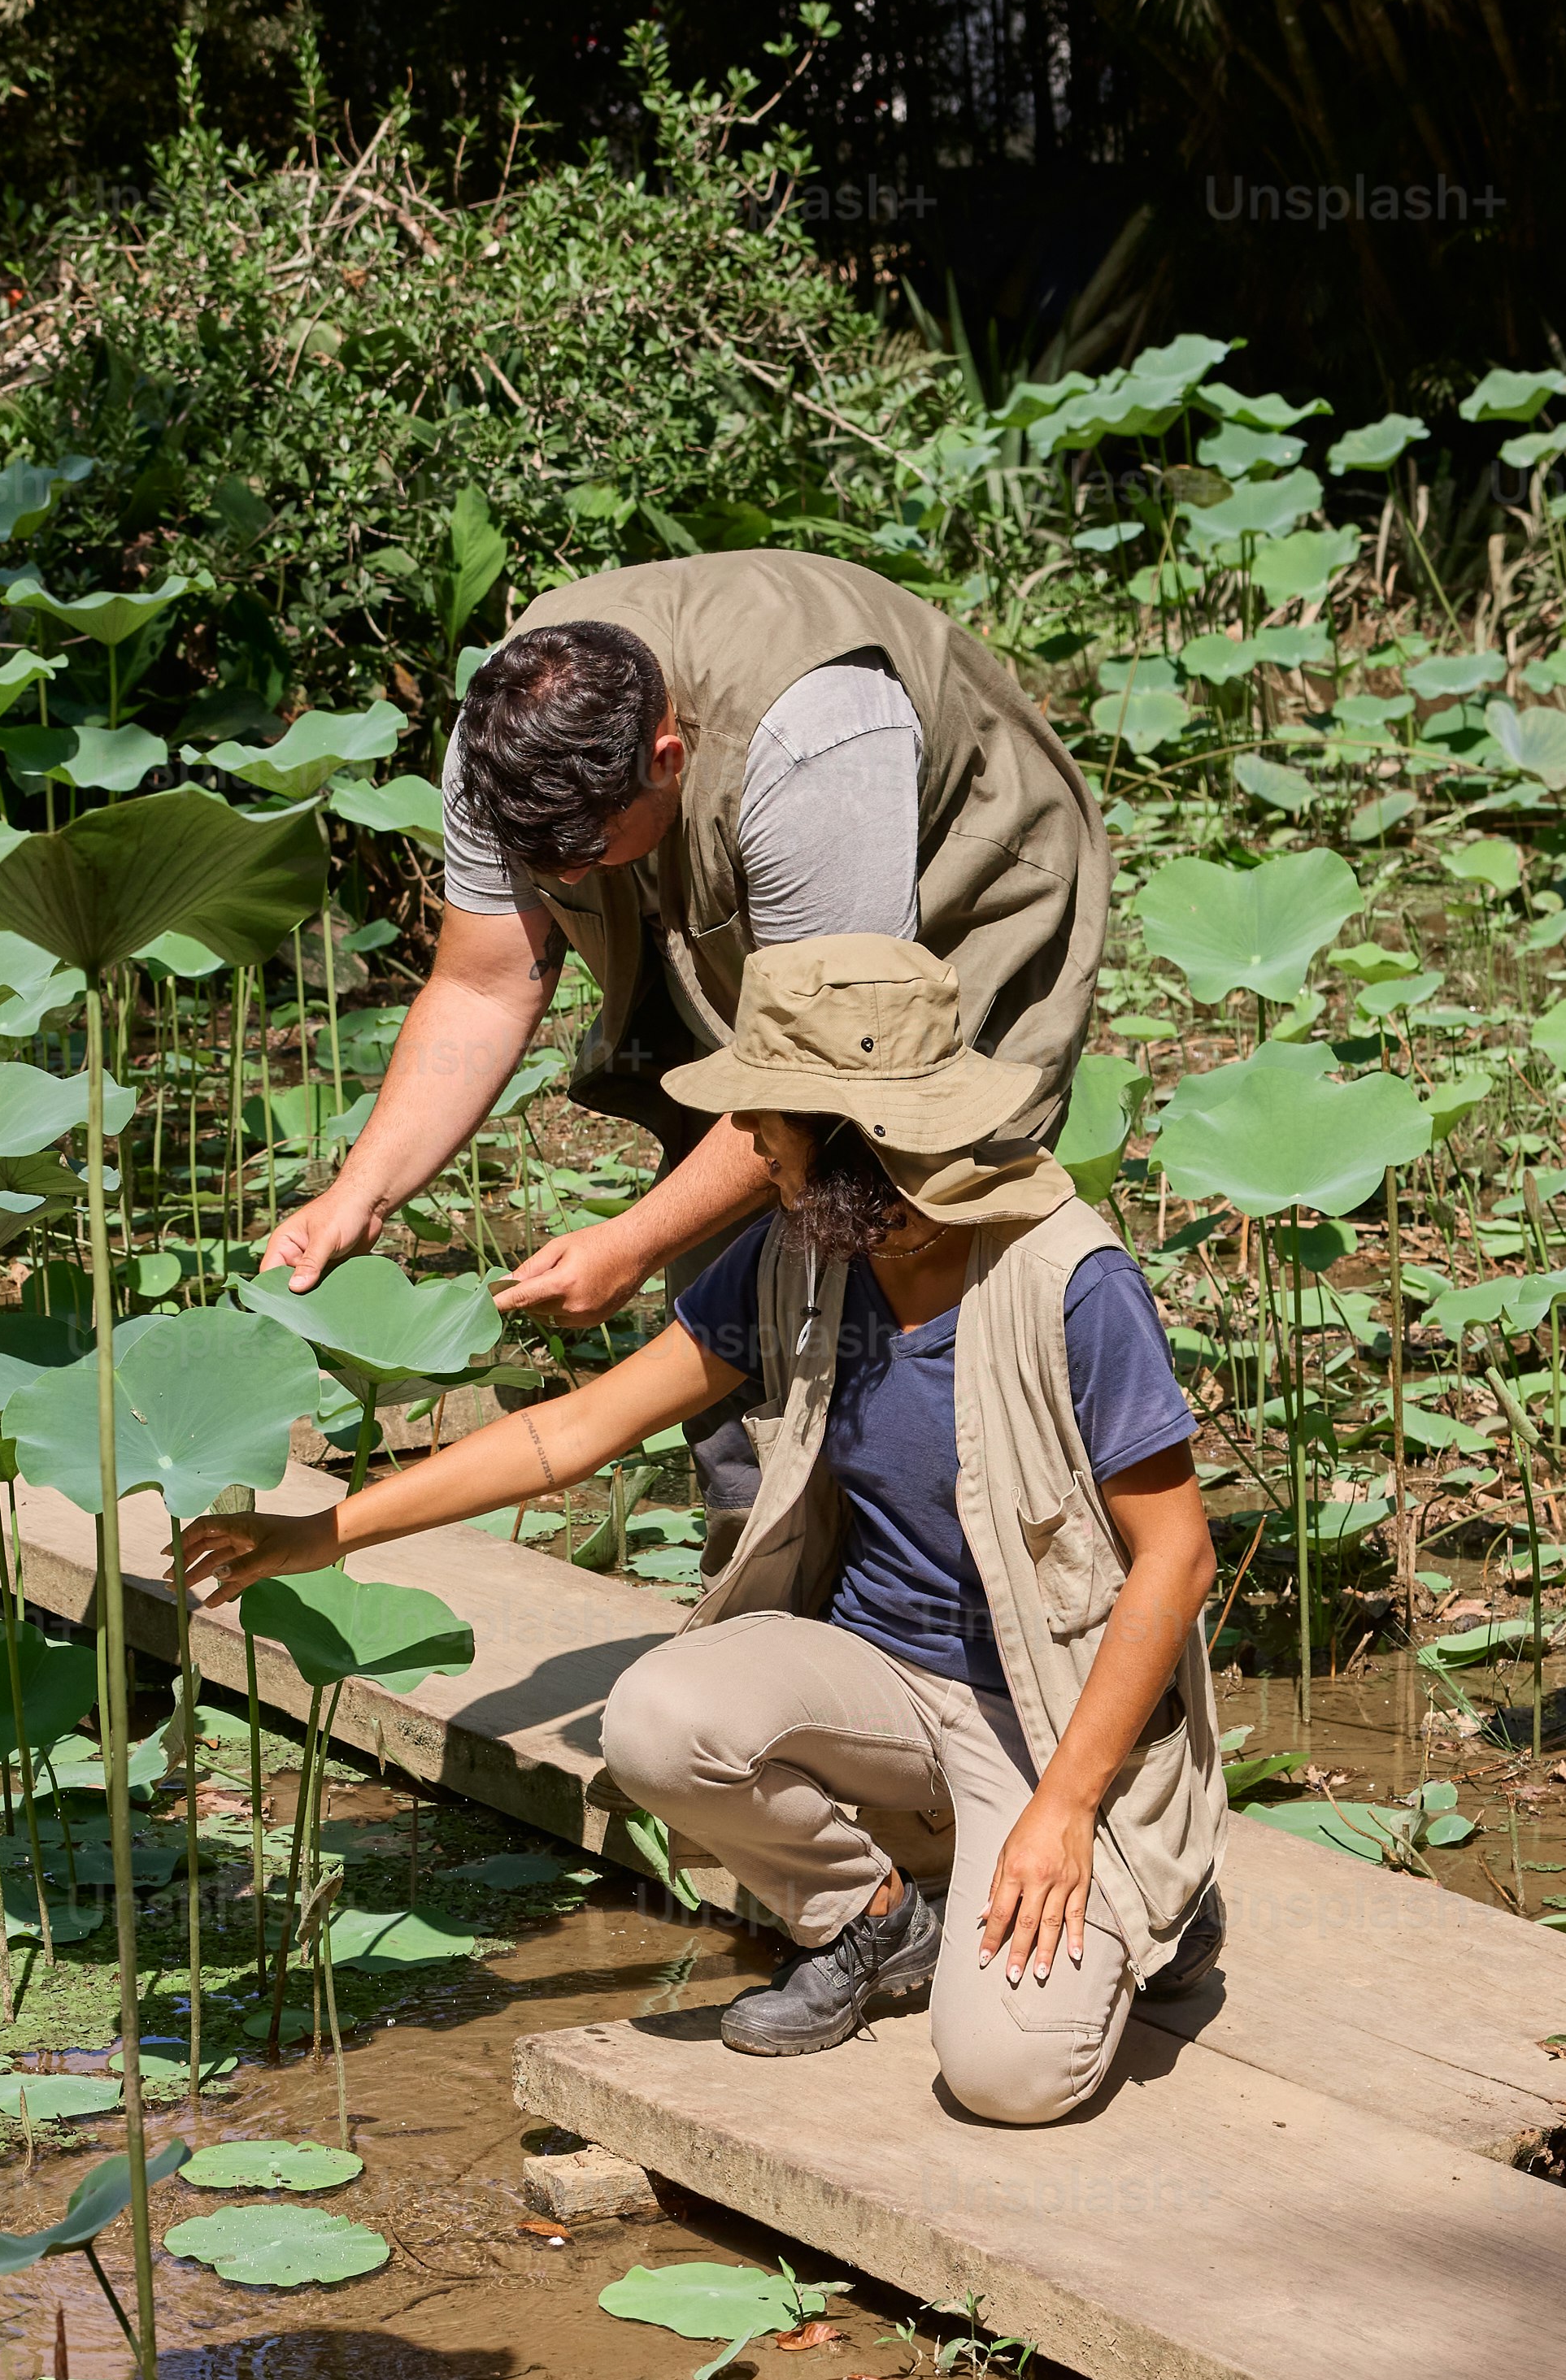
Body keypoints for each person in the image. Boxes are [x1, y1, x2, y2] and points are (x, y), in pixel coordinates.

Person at [176, 937, 1225, 2127]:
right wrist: (328, 1532)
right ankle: (874, 1921)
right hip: (880, 1678)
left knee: (1010, 2077)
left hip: (1049, 1720)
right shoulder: (804, 1252)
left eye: (766, 1121)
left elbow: (1176, 1557)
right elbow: (570, 1435)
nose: (749, 1146)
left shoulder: (1065, 1278)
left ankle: (1164, 1898)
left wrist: (1065, 1810)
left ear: (844, 1129)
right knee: (661, 1717)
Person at [256, 546, 1111, 1337]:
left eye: (581, 857)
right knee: (724, 1280)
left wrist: (629, 1241)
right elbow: (482, 987)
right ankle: (757, 1489)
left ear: (665, 758)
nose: (558, 877)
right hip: (741, 896)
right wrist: (358, 1194)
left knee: (915, 1218)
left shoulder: (815, 740)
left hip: (964, 885)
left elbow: (830, 1066)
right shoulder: (502, 744)